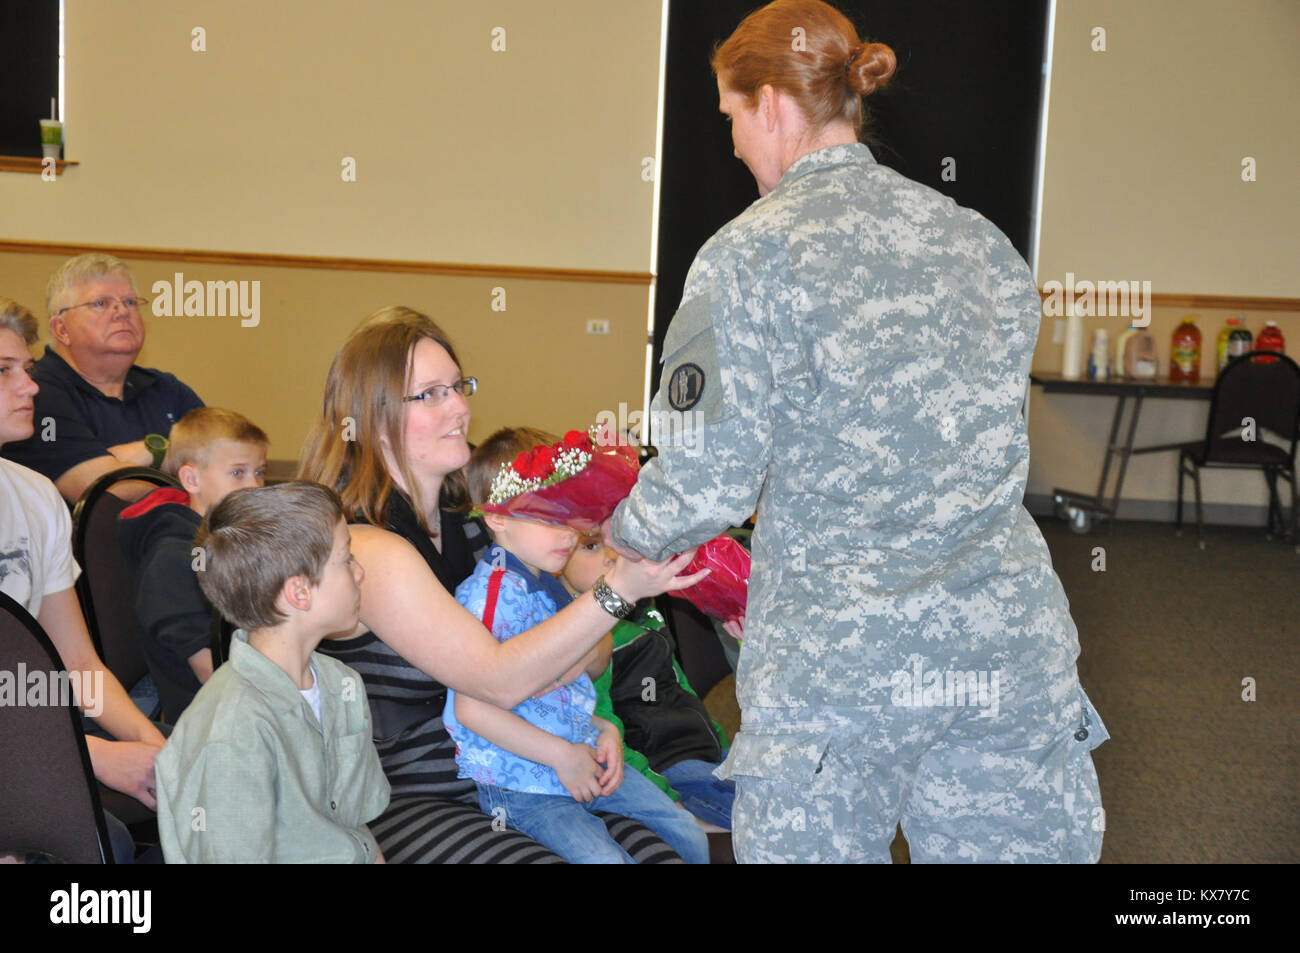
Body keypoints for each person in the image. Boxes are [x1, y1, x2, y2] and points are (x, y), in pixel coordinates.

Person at [605, 0, 1108, 864]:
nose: (730, 142)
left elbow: (704, 478)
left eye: (730, 116)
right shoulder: (982, 244)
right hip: (1000, 650)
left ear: (769, 102)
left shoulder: (747, 255)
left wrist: (616, 537)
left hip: (838, 676)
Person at [300, 306, 707, 863]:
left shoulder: (476, 524)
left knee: (668, 851)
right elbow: (498, 681)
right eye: (432, 394)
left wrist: (587, 722)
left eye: (459, 387)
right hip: (419, 798)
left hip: (531, 768)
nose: (461, 407)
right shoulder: (366, 547)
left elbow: (593, 654)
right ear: (373, 418)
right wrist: (617, 592)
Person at [445, 427, 708, 864]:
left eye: (570, 515)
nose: (566, 533)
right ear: (497, 518)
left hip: (582, 755)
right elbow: (470, 709)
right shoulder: (490, 597)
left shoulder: (551, 584)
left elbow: (574, 683)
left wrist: (602, 730)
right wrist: (562, 756)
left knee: (689, 837)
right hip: (522, 781)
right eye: (548, 517)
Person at [0, 296, 166, 863]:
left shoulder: (34, 496)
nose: (30, 387)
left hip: (36, 741)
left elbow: (79, 666)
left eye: (26, 368)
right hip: (35, 750)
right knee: (103, 846)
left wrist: (151, 745)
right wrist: (91, 756)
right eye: (4, 371)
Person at [154, 482, 390, 863]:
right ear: (300, 592)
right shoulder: (233, 729)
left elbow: (355, 833)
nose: (360, 573)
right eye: (347, 558)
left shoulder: (341, 683)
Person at [562, 535, 734, 830]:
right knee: (777, 817)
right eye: (591, 545)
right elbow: (603, 733)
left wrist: (722, 747)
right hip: (669, 771)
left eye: (618, 541)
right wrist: (668, 802)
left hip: (711, 756)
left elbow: (681, 693)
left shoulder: (646, 618)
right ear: (558, 561)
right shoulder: (585, 641)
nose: (612, 556)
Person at [0, 253, 203, 503]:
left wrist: (138, 456)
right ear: (61, 330)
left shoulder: (167, 389)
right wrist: (162, 452)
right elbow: (103, 489)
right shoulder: (36, 392)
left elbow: (229, 459)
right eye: (101, 303)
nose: (122, 312)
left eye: (130, 302)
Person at [118, 407, 269, 722]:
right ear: (191, 479)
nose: (255, 486)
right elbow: (210, 672)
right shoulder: (172, 560)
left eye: (260, 472)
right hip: (210, 721)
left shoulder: (233, 544)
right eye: (238, 472)